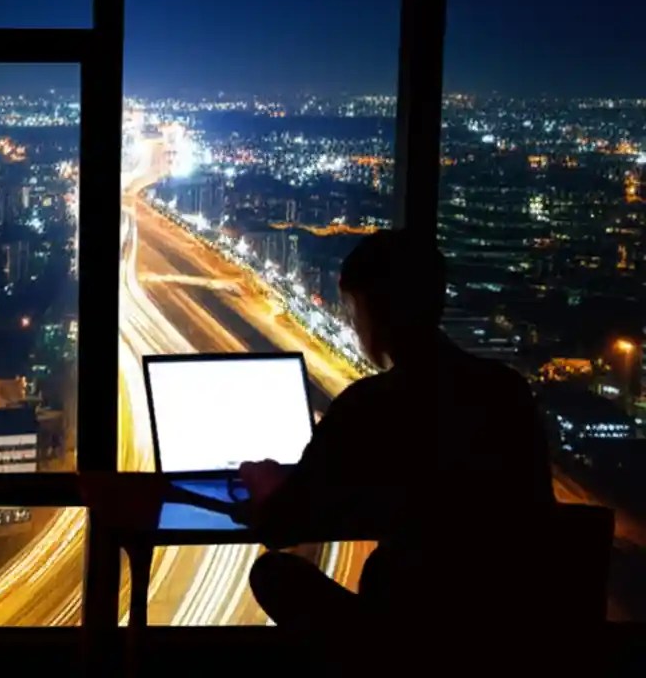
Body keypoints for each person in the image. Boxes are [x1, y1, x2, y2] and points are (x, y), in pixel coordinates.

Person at [238, 229, 555, 632]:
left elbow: (282, 527)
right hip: (516, 625)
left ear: (370, 310)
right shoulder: (506, 387)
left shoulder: (369, 403)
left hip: (405, 631)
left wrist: (267, 483)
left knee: (273, 573)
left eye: (353, 311)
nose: (353, 325)